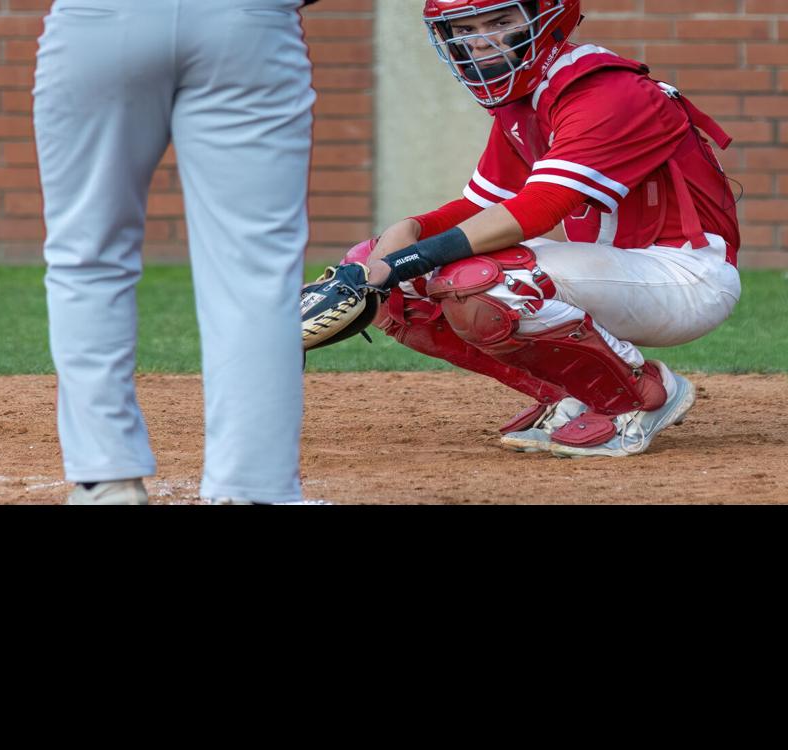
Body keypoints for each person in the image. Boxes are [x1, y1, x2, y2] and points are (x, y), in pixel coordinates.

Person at [308, 0, 740, 459]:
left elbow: (538, 210)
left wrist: (408, 258)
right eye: (465, 27)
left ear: (552, 16)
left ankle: (639, 397)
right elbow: (479, 207)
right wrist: (404, 232)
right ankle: (571, 394)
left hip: (685, 275)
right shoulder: (526, 99)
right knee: (378, 267)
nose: (480, 40)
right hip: (620, 272)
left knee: (480, 284)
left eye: (500, 21)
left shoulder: (606, 90)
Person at [36, 0, 320, 505]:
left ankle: (107, 478)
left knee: (88, 256)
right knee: (255, 273)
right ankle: (252, 487)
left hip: (100, 20)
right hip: (246, 22)